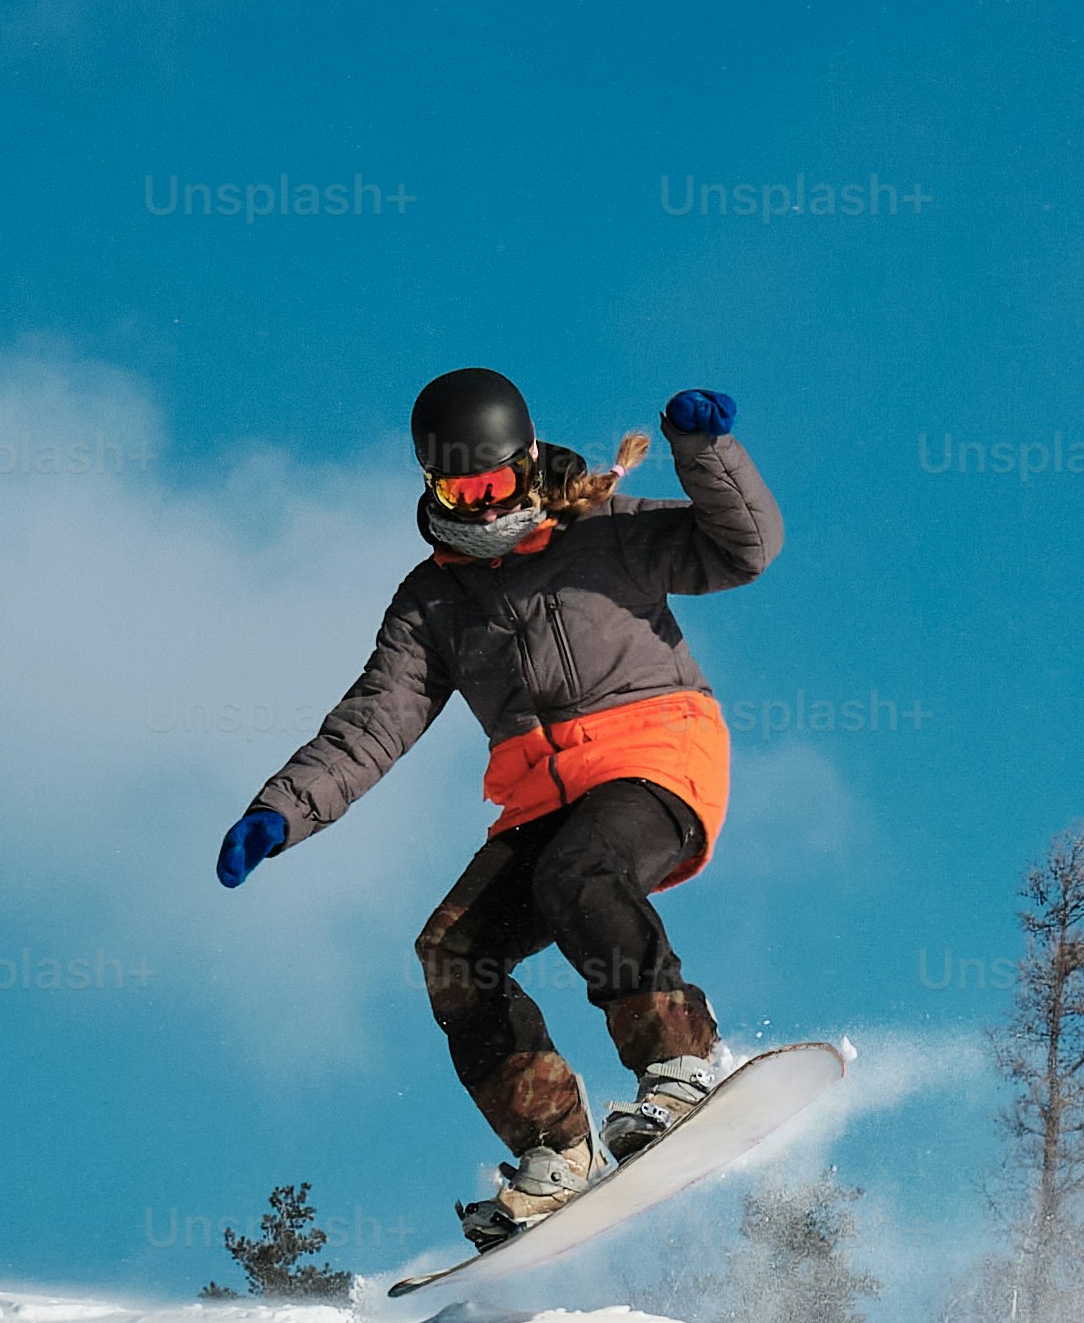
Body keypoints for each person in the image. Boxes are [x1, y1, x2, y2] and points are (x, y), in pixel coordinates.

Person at [217, 370, 777, 1248]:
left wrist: (705, 454)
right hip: (539, 797)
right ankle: (557, 1146)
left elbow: (741, 549)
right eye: (457, 491)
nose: (479, 509)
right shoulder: (432, 600)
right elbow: (374, 720)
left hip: (653, 758)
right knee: (453, 951)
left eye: (494, 486)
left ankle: (679, 1057)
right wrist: (283, 810)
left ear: (526, 466)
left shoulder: (607, 535)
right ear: (430, 487)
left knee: (578, 875)